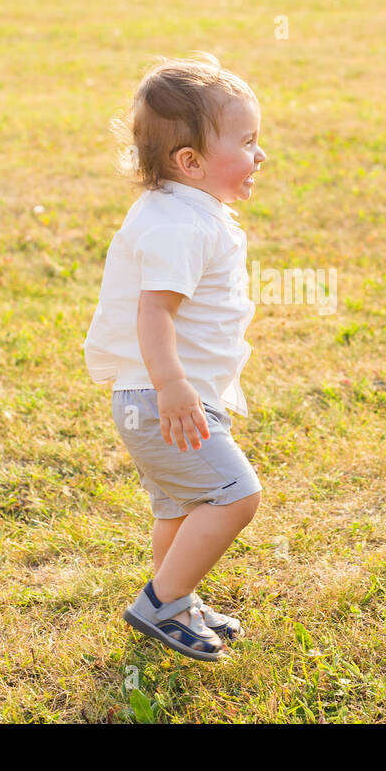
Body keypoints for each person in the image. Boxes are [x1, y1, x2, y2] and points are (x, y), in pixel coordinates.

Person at [84, 52, 266, 662]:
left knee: (183, 506)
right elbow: (153, 312)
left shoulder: (186, 210)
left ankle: (178, 598)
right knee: (236, 494)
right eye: (246, 141)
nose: (259, 155)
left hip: (155, 396)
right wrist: (174, 386)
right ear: (190, 162)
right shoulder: (179, 224)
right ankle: (159, 602)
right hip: (159, 395)